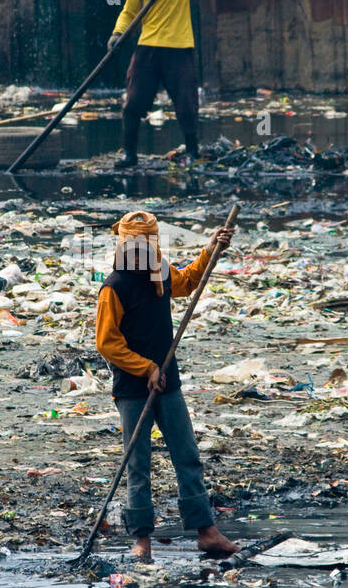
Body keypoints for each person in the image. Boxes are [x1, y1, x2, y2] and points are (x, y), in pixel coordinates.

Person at [94, 210, 240, 561]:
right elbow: (107, 342)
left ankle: (206, 531)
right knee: (138, 463)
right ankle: (141, 539)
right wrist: (145, 368)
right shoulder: (114, 286)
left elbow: (187, 282)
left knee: (186, 456)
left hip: (168, 383)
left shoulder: (159, 272)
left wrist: (210, 251)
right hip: (133, 388)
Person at [108, 0, 218, 170]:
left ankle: (192, 151)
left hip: (178, 48)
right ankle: (129, 154)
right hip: (148, 48)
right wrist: (117, 33)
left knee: (186, 104)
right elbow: (129, 11)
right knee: (133, 102)